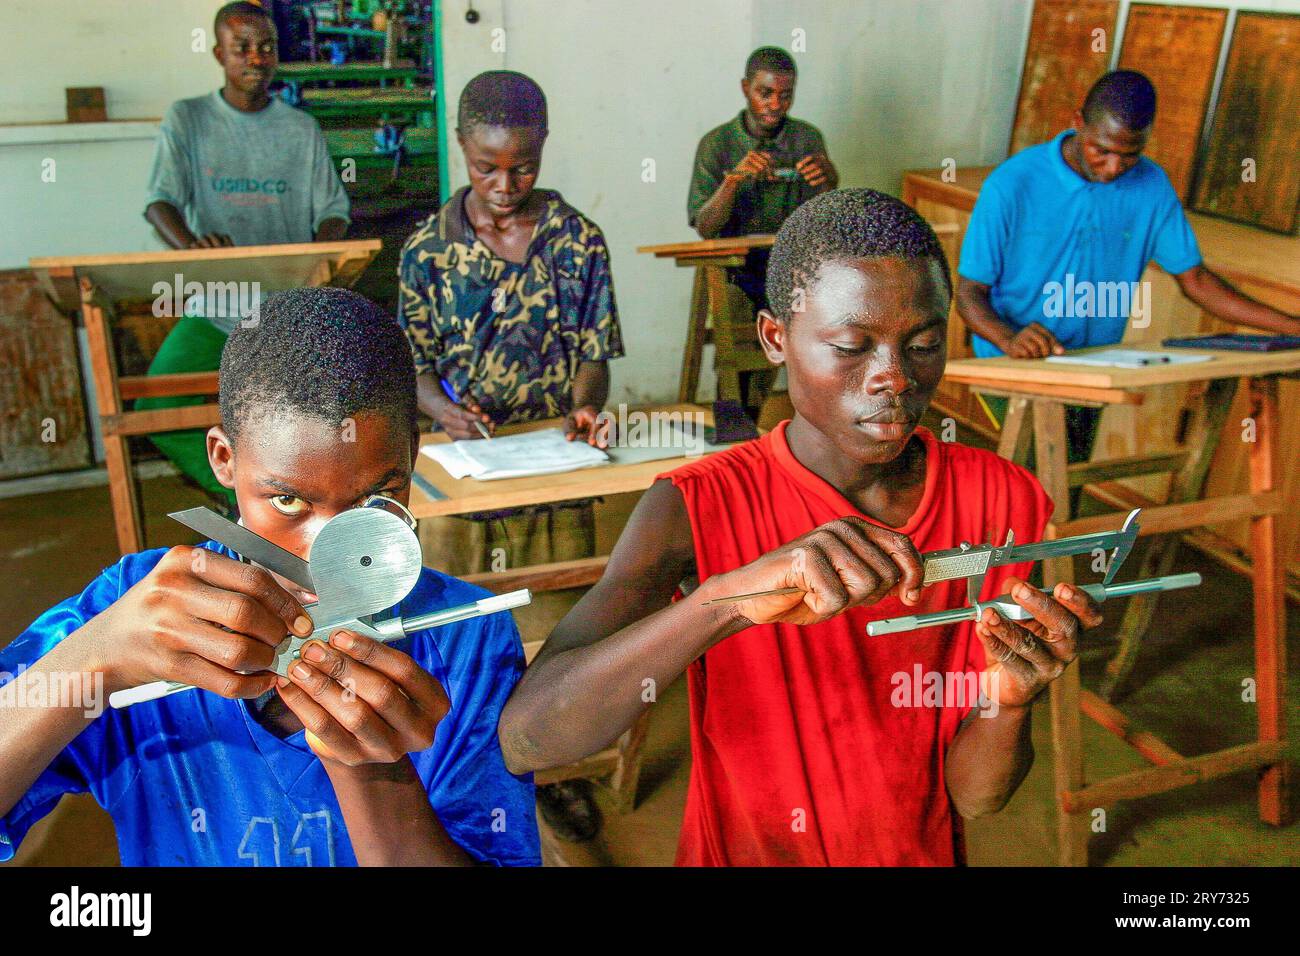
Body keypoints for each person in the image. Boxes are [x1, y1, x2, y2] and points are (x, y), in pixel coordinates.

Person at [498, 189, 1105, 866]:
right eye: (851, 346)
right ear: (774, 339)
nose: (894, 379)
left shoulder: (1001, 501)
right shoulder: (696, 506)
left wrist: (1010, 703)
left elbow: (974, 799)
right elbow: (530, 738)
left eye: (925, 344)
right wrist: (723, 602)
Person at [0, 288, 539, 867]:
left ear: (411, 457)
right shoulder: (135, 609)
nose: (325, 556)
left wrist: (375, 773)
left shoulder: (465, 639)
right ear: (224, 459)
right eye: (287, 500)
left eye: (379, 496)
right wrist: (93, 660)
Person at [398, 70, 623, 843]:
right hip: (465, 470)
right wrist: (441, 410)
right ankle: (458, 779)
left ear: (543, 149)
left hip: (553, 463)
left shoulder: (578, 239)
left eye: (522, 167)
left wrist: (587, 402)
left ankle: (550, 772)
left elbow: (595, 351)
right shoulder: (427, 250)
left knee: (557, 626)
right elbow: (415, 365)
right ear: (461, 145)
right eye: (487, 165)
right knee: (458, 628)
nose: (504, 184)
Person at [957, 69, 1298, 460]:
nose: (1114, 167)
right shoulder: (1013, 183)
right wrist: (1009, 338)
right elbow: (969, 295)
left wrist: (1293, 328)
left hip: (1096, 363)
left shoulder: (1152, 186)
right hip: (1013, 361)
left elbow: (1197, 281)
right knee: (1040, 473)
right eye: (1101, 150)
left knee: (1067, 476)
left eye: (1130, 154)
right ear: (1078, 122)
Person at [138, 1, 351, 507]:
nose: (256, 58)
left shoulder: (300, 129)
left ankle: (296, 507)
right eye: (242, 48)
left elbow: (333, 209)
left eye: (266, 47)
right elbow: (158, 203)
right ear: (219, 54)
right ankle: (247, 501)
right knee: (155, 406)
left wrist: (325, 247)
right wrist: (193, 249)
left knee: (303, 422)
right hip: (215, 301)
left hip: (283, 311)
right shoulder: (188, 119)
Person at [688, 46, 837, 410]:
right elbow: (704, 227)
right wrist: (733, 181)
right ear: (745, 89)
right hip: (733, 266)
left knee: (795, 332)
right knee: (741, 334)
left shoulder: (806, 139)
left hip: (789, 264)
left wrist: (829, 180)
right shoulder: (718, 144)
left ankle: (755, 420)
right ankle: (734, 421)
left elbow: (822, 215)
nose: (775, 104)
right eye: (765, 93)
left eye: (785, 95)